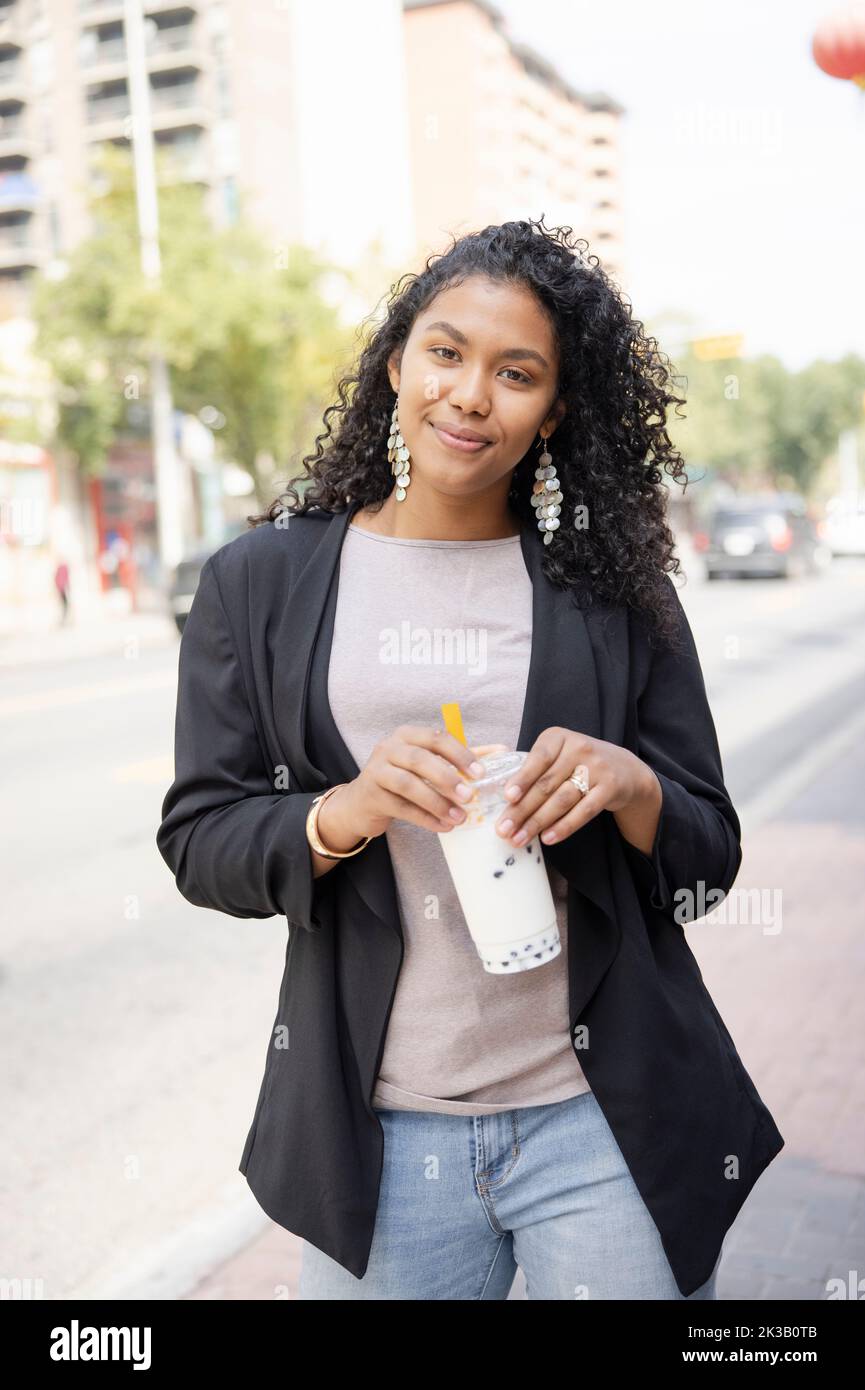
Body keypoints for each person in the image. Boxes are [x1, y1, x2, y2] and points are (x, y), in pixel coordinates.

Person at [157, 218, 784, 1300]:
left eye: (518, 372)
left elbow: (706, 853)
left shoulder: (614, 594)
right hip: (380, 1136)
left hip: (600, 1120)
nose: (471, 394)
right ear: (397, 359)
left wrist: (631, 788)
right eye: (445, 352)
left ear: (558, 407)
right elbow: (201, 836)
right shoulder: (259, 583)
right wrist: (337, 812)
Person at [53, 560, 70, 626]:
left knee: (64, 604)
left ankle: (64, 618)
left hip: (61, 588)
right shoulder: (63, 568)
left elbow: (56, 578)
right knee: (64, 604)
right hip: (61, 588)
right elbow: (64, 578)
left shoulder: (60, 569)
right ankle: (63, 618)